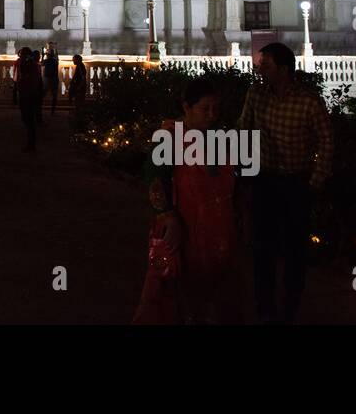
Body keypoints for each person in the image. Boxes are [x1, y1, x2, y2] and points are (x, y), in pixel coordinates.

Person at [134, 75, 243, 324]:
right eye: (205, 109)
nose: (211, 114)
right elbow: (154, 179)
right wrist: (168, 217)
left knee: (224, 294)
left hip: (221, 230)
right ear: (186, 108)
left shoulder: (222, 136)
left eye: (215, 108)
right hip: (186, 228)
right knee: (183, 297)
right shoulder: (170, 136)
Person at [238, 41, 333, 323]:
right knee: (262, 247)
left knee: (295, 249)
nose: (259, 70)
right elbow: (243, 128)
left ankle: (289, 307)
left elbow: (326, 141)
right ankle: (265, 308)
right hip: (265, 180)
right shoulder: (257, 94)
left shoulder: (308, 100)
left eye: (265, 65)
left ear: (283, 69)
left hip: (296, 183)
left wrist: (315, 180)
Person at [16, 48, 44, 152]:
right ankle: (30, 143)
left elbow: (29, 80)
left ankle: (31, 144)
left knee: (29, 120)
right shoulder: (29, 65)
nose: (20, 57)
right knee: (27, 120)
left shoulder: (30, 66)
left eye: (22, 55)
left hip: (29, 95)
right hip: (27, 95)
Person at [68, 52, 88, 129]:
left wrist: (79, 86)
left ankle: (79, 119)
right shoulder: (80, 66)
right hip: (80, 87)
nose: (73, 61)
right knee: (78, 102)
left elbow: (83, 78)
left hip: (80, 88)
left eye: (74, 59)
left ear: (77, 60)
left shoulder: (80, 67)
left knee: (79, 103)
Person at [42, 42, 61, 118]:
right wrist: (55, 48)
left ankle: (39, 107)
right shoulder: (55, 61)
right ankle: (53, 110)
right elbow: (57, 56)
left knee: (44, 94)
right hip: (54, 78)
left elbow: (41, 63)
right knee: (54, 95)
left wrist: (43, 55)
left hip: (48, 78)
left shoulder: (47, 61)